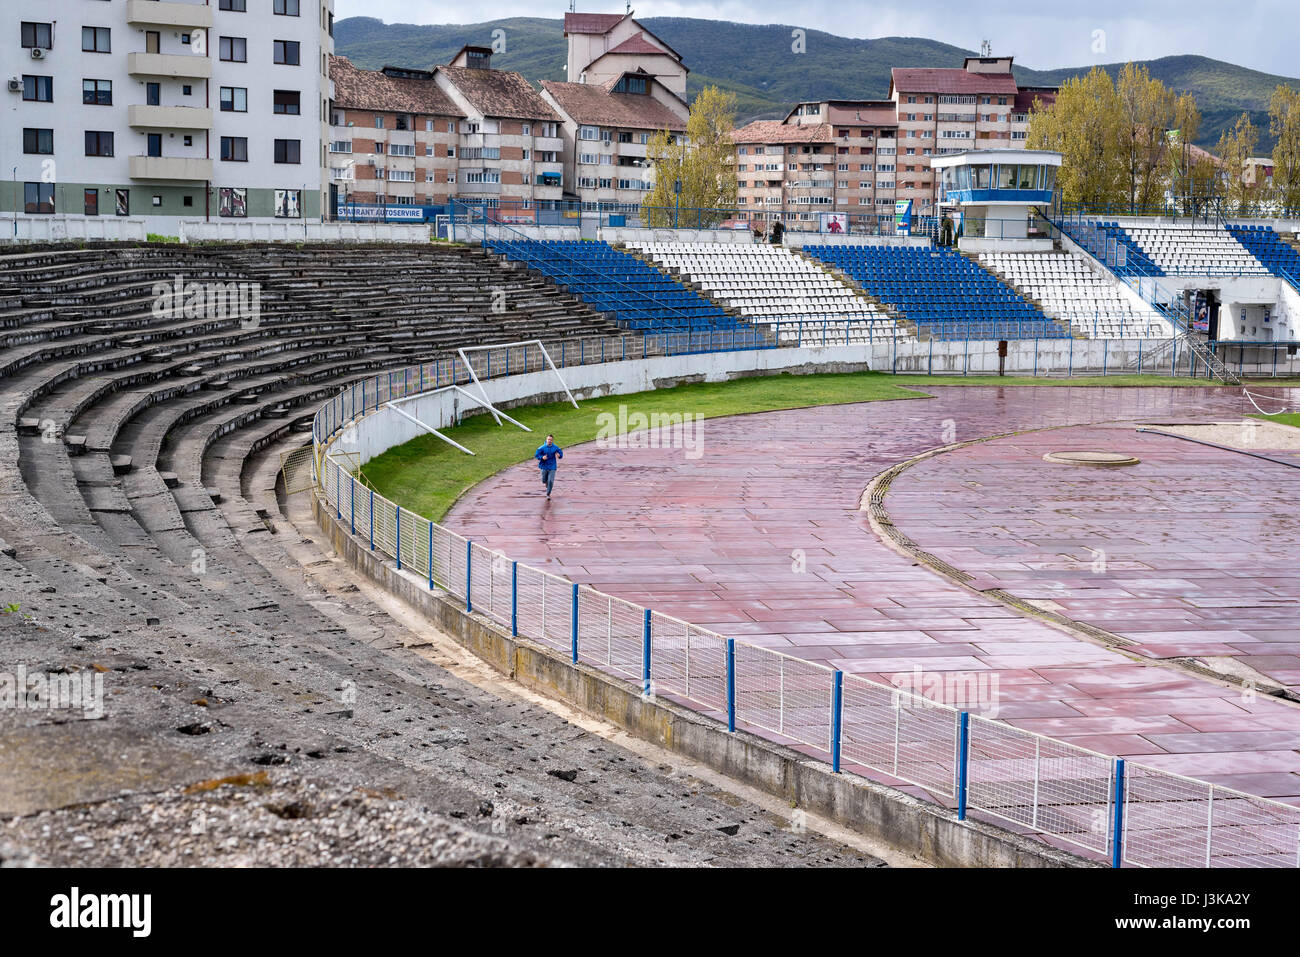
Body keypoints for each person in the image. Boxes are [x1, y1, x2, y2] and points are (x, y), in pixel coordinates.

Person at [534, 434, 563, 498]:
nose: (549, 441)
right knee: (544, 480)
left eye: (551, 440)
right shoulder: (541, 448)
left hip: (552, 466)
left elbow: (560, 454)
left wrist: (559, 455)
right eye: (548, 439)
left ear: (552, 440)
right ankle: (546, 483)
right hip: (544, 466)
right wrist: (542, 457)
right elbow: (536, 455)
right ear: (546, 440)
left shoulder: (555, 447)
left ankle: (548, 494)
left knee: (551, 481)